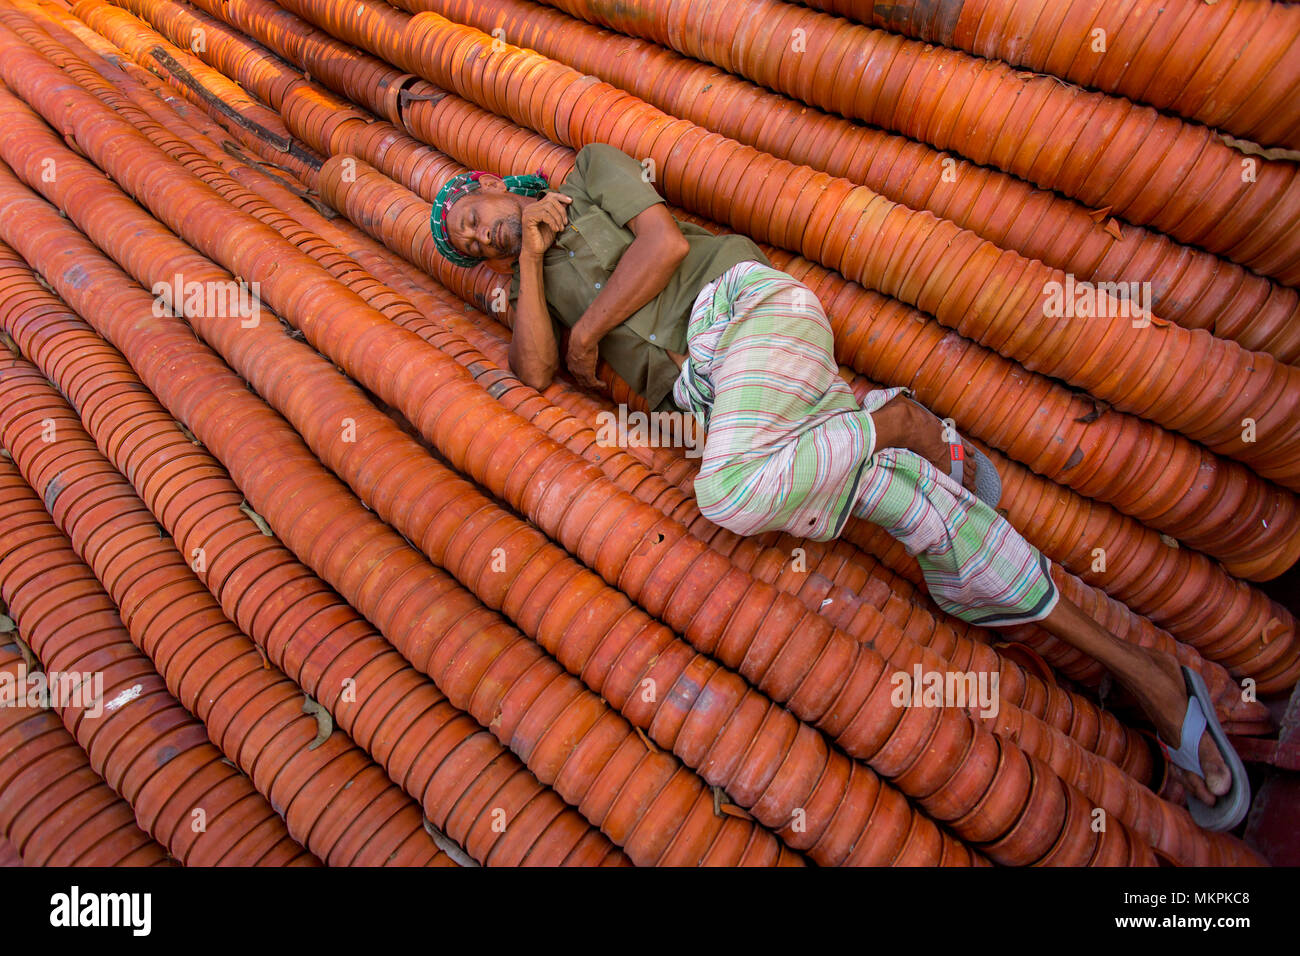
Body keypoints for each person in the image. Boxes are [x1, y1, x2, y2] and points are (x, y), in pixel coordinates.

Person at [431, 143, 1246, 830]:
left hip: (745, 314)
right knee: (936, 541)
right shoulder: (527, 283)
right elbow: (537, 370)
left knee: (729, 496)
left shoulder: (592, 171)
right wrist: (533, 260)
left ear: (494, 183)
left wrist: (595, 329)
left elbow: (666, 249)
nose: (479, 232)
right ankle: (1150, 676)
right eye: (470, 243)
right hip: (728, 401)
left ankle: (893, 426)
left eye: (473, 212)